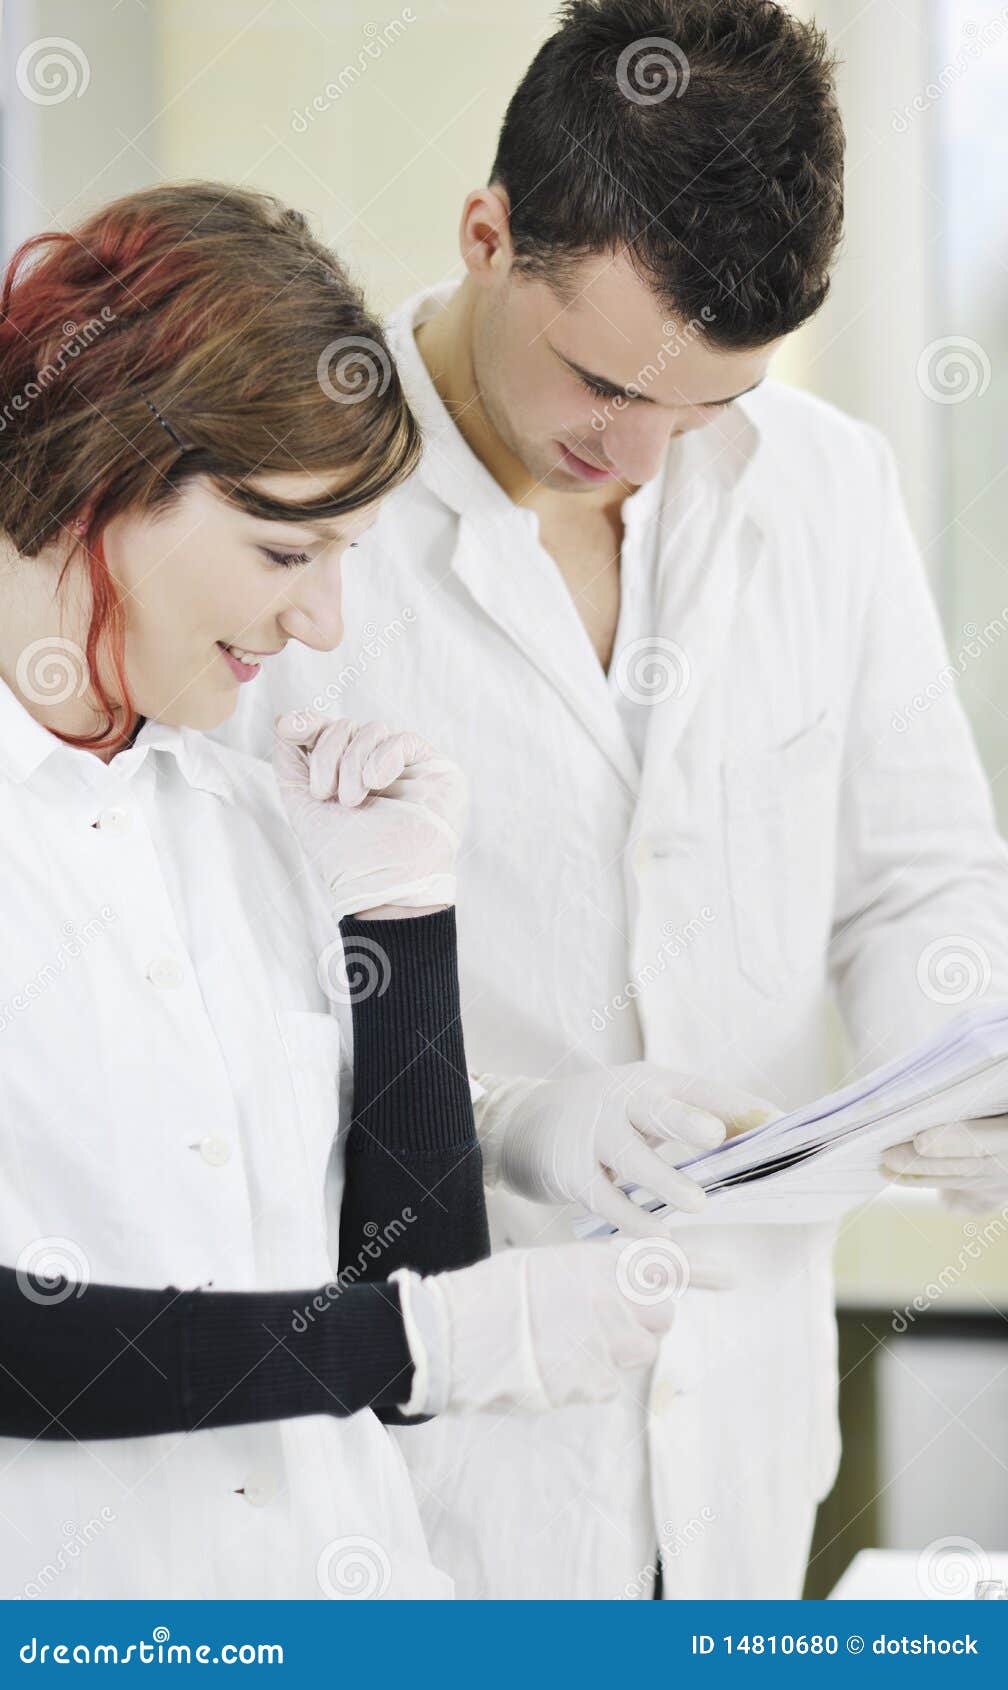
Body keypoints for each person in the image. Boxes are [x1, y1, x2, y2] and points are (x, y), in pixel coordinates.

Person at [220, 0, 1008, 1600]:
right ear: (488, 233)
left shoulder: (827, 488)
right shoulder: (284, 522)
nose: (639, 451)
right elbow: (228, 1015)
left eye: (706, 406)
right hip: (429, 1474)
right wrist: (516, 1124)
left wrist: (965, 1053)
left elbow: (919, 874)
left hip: (741, 1447)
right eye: (600, 382)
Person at [0, 180, 725, 1601]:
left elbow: (413, 1263)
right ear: (100, 473)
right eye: (285, 552)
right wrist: (415, 1340)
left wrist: (406, 933)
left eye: (343, 561)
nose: (321, 622)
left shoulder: (233, 798)